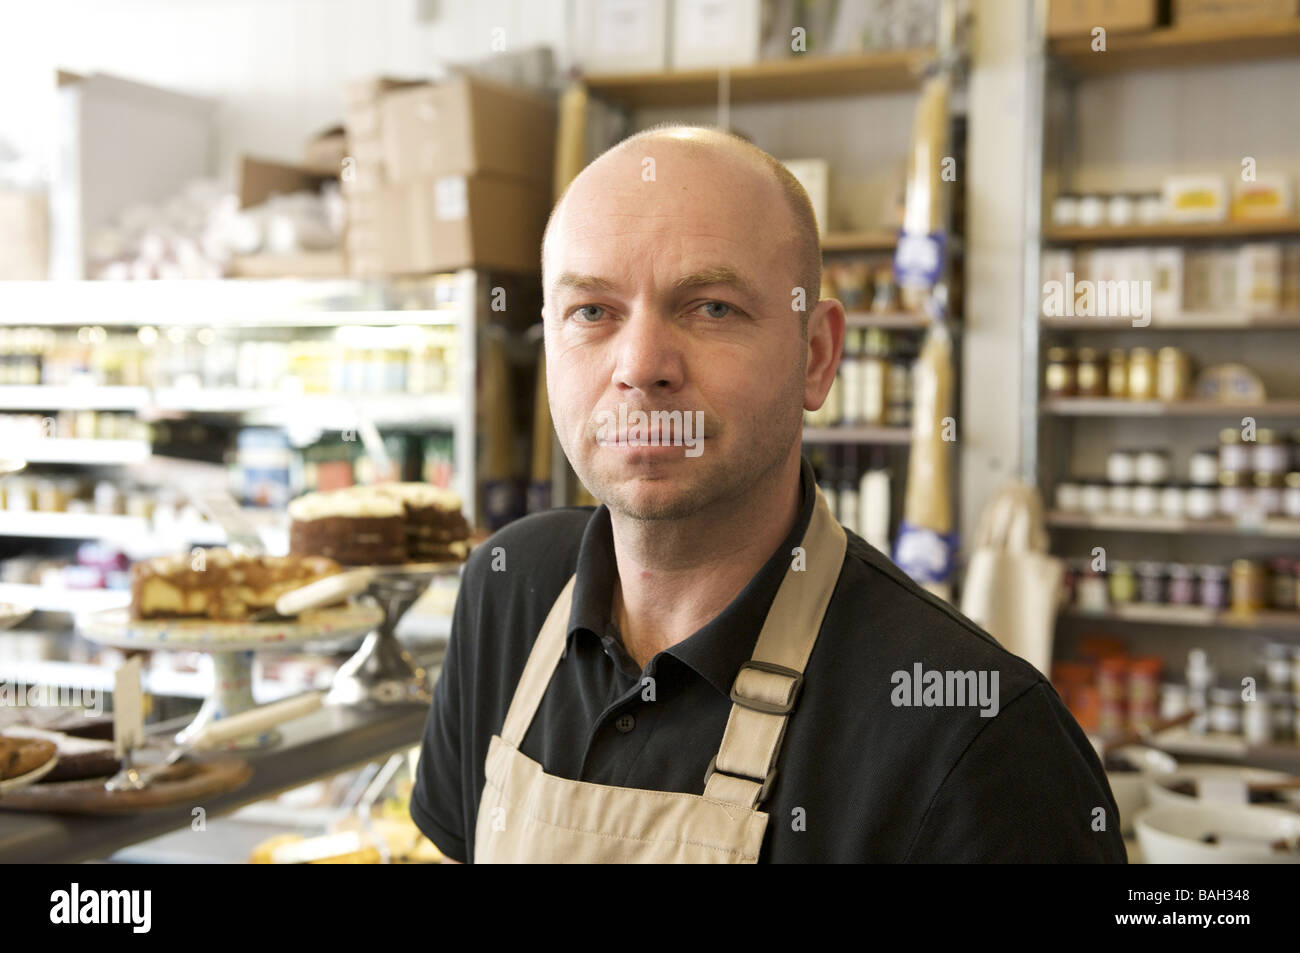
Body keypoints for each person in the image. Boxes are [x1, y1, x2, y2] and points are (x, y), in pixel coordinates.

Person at [410, 123, 1126, 863]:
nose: (642, 365)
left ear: (816, 356)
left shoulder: (978, 738)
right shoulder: (507, 593)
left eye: (711, 306)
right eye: (592, 311)